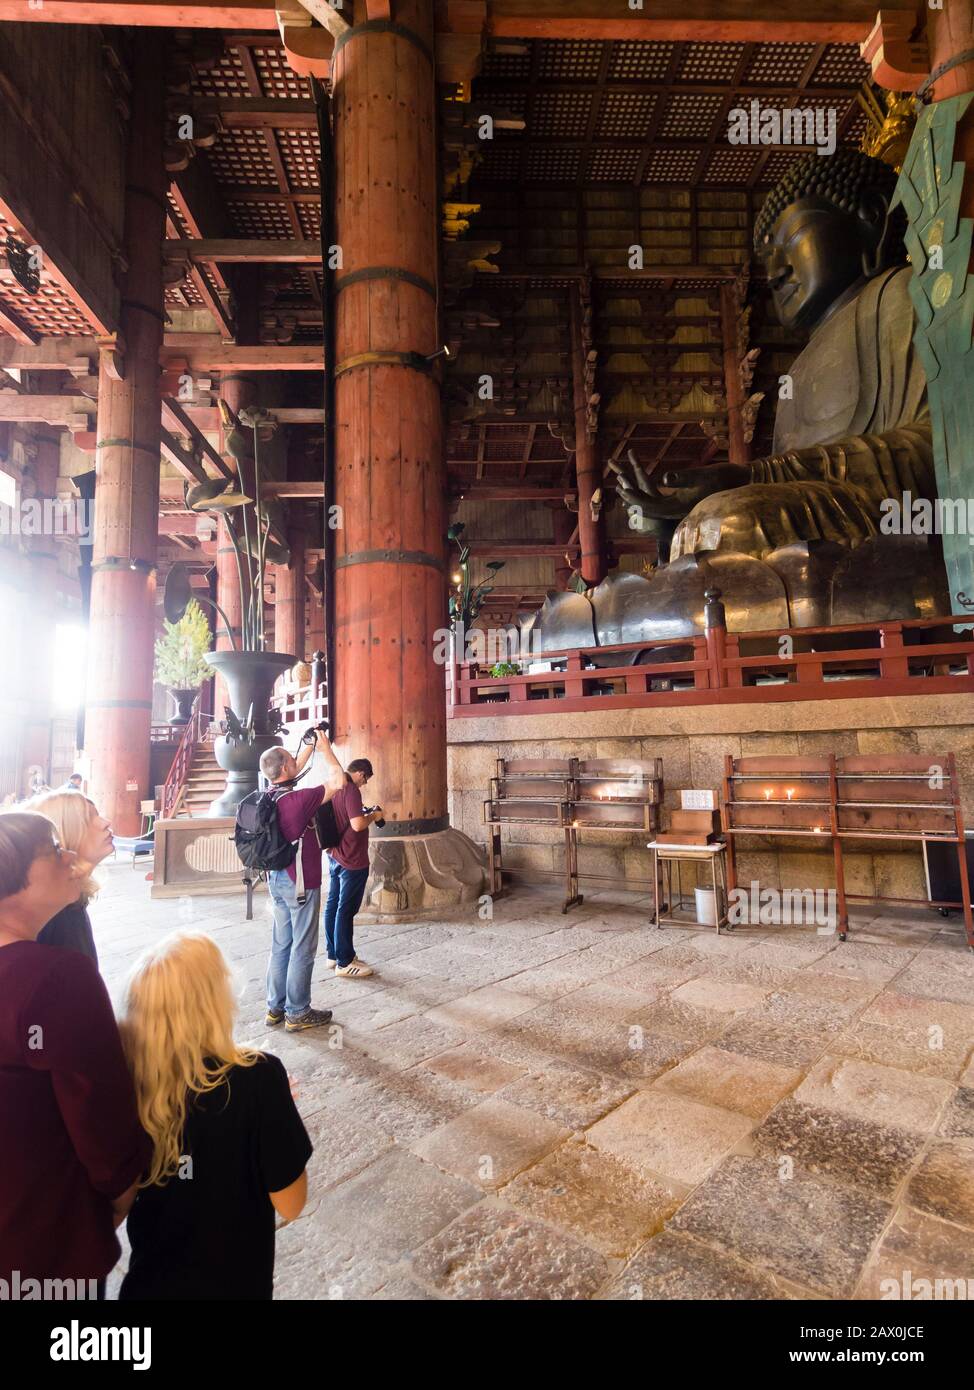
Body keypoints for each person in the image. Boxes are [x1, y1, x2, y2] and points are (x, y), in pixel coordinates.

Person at [0, 813, 149, 1297]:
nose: (69, 858)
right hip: (42, 1244)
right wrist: (121, 1187)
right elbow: (98, 1112)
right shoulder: (56, 976)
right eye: (53, 849)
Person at [118, 933, 312, 1301]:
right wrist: (277, 1110)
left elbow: (119, 1202)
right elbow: (291, 1203)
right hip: (235, 1285)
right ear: (214, 1003)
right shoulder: (260, 1077)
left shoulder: (129, 1084)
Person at [260, 729, 345, 1032]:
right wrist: (325, 750)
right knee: (304, 947)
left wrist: (307, 746)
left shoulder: (268, 794)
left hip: (276, 878)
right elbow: (338, 782)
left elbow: (289, 765)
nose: (295, 761)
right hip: (301, 882)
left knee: (281, 943)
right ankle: (298, 1011)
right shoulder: (300, 800)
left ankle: (275, 1007)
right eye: (291, 760)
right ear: (284, 769)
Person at [29, 789, 114, 964]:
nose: (106, 822)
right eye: (90, 818)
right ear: (63, 834)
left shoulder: (72, 899)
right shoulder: (51, 913)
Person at [324, 758, 383, 979]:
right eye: (365, 778)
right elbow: (357, 824)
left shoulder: (334, 784)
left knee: (333, 905)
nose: (364, 783)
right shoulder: (350, 789)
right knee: (345, 909)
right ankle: (345, 962)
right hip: (351, 858)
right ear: (360, 773)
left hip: (335, 855)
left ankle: (333, 954)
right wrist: (373, 816)